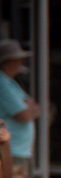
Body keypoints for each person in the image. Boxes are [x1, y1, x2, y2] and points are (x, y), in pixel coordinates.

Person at [0, 40, 37, 168]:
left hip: (17, 151)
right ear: (9, 61)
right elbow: (25, 115)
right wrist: (28, 105)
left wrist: (29, 106)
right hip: (10, 151)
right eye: (18, 59)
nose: (21, 63)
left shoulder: (10, 83)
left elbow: (36, 110)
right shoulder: (2, 83)